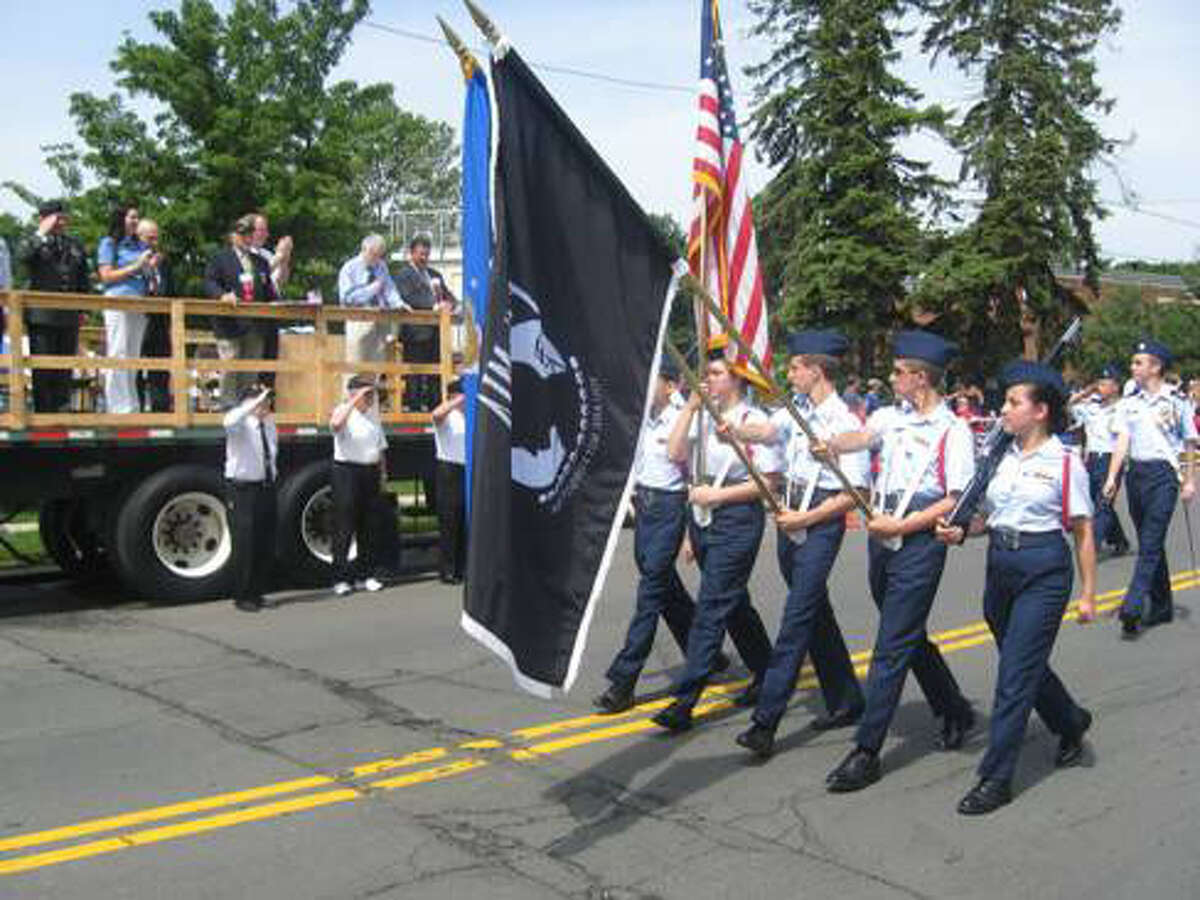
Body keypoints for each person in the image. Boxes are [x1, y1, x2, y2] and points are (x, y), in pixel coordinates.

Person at [935, 361, 1096, 814]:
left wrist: (1088, 593)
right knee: (1023, 662)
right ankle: (1069, 719)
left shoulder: (1065, 462)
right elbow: (990, 518)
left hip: (1044, 569)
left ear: (1040, 411)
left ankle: (996, 777)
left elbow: (1083, 530)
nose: (1003, 409)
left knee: (1013, 677)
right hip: (1001, 565)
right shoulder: (999, 457)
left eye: (1013, 402)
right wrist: (961, 530)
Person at [821, 330, 976, 793]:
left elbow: (954, 499)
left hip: (918, 538)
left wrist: (903, 526)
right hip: (883, 532)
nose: (891, 378)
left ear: (920, 378)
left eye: (898, 372)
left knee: (890, 646)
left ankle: (866, 750)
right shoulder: (891, 417)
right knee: (905, 633)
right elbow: (862, 436)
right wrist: (831, 444)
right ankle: (954, 708)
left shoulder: (952, 431)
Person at [731, 330, 869, 759]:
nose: (788, 374)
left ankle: (765, 722)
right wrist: (733, 428)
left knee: (796, 619)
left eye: (794, 368)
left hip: (818, 522)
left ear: (817, 370)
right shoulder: (796, 410)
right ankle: (846, 698)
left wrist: (806, 519)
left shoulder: (845, 423)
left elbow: (856, 494)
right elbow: (769, 431)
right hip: (789, 517)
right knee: (815, 614)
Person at [650, 345, 782, 733]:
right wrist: (691, 408)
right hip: (703, 517)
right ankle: (767, 670)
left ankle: (685, 700)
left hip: (736, 517)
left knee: (710, 607)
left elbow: (768, 484)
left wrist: (718, 497)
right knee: (734, 603)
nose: (707, 379)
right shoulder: (703, 416)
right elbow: (674, 452)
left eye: (716, 373)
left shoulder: (752, 419)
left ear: (737, 378)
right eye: (706, 373)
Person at [594, 358, 729, 714]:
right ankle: (707, 653)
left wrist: (688, 531)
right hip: (646, 507)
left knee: (650, 594)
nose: (644, 384)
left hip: (671, 508)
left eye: (652, 379)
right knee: (666, 590)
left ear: (671, 386)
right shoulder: (645, 416)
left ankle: (623, 681)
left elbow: (687, 467)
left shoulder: (687, 417)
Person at [1104, 339, 1199, 639]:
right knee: (1150, 541)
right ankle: (1162, 605)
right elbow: (1122, 442)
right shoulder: (1129, 403)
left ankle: (1133, 605)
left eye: (1138, 362)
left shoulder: (1176, 401)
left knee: (1150, 541)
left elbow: (1189, 441)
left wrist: (1190, 479)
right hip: (1137, 475)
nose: (1133, 367)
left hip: (1163, 477)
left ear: (1156, 367)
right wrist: (1112, 477)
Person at [18, 199, 90, 412]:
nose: (61, 222)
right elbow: (23, 257)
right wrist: (41, 233)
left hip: (68, 316)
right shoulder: (33, 240)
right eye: (56, 218)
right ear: (43, 219)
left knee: (64, 368)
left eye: (63, 218)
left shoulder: (74, 244)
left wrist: (84, 308)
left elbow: (83, 278)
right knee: (43, 368)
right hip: (42, 316)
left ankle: (61, 411)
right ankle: (44, 413)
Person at [204, 216, 278, 409]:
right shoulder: (219, 258)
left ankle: (245, 405)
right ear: (232, 236)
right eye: (242, 234)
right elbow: (210, 283)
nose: (247, 238)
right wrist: (222, 295)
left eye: (250, 234)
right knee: (230, 363)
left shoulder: (261, 262)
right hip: (229, 323)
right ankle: (228, 406)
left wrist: (278, 303)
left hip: (255, 324)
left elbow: (269, 292)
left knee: (251, 366)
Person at [330, 375, 389, 596]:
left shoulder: (373, 416)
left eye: (372, 395)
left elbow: (381, 447)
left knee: (369, 526)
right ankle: (340, 578)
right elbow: (336, 425)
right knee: (344, 526)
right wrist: (353, 401)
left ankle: (367, 575)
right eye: (367, 395)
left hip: (370, 472)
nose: (372, 399)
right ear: (354, 394)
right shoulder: (342, 411)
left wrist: (383, 474)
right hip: (347, 472)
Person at [223, 384, 278, 612]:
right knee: (245, 543)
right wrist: (251, 405)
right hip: (243, 489)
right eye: (261, 401)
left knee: (262, 542)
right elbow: (228, 422)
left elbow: (272, 454)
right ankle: (242, 595)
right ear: (248, 403)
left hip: (264, 487)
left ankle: (257, 592)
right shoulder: (241, 424)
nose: (266, 405)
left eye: (267, 401)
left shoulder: (269, 424)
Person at [96, 203, 153, 413]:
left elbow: (144, 273)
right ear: (121, 219)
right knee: (118, 350)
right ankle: (117, 406)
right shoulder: (109, 243)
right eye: (132, 217)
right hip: (117, 300)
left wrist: (149, 267)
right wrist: (136, 266)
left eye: (138, 217)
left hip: (138, 301)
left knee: (133, 353)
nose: (136, 221)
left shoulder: (140, 245)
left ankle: (132, 404)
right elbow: (106, 276)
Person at [1068, 364, 1130, 558]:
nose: (1101, 388)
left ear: (1115, 387)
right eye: (1099, 384)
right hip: (1092, 459)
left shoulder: (1124, 407)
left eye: (1105, 384)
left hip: (1112, 459)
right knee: (1096, 503)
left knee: (1103, 503)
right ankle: (1119, 540)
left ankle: (1091, 546)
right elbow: (1068, 405)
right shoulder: (1091, 406)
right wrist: (1087, 391)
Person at [395, 234, 457, 412]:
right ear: (412, 253)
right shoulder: (403, 275)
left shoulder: (435, 275)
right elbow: (408, 297)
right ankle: (414, 407)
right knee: (415, 373)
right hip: (415, 332)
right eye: (421, 254)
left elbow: (448, 296)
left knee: (436, 373)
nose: (424, 258)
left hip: (437, 331)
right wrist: (433, 306)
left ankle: (435, 406)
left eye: (427, 254)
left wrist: (451, 304)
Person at [337, 234, 407, 372]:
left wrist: (399, 303)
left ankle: (373, 386)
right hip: (358, 322)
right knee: (355, 366)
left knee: (377, 368)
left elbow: (389, 289)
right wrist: (372, 289)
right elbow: (348, 298)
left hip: (381, 321)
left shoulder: (381, 266)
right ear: (364, 249)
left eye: (379, 255)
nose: (376, 259)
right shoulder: (349, 268)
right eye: (373, 254)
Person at [431, 380, 467, 585]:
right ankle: (447, 570)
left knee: (463, 520)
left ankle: (462, 567)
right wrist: (456, 401)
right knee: (449, 521)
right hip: (449, 469)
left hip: (466, 469)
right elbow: (436, 415)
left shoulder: (468, 416)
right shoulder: (448, 416)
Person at [136, 218, 174, 412]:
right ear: (139, 237)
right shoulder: (132, 258)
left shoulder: (163, 261)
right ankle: (136, 409)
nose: (154, 242)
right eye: (150, 238)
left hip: (160, 320)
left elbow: (172, 290)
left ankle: (161, 410)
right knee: (134, 366)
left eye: (156, 238)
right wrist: (147, 267)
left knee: (160, 367)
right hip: (139, 317)